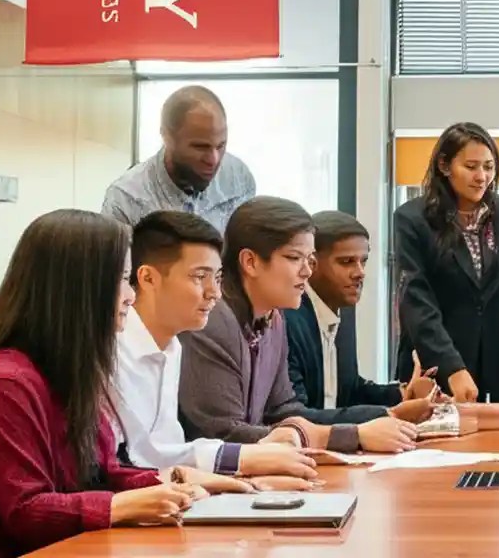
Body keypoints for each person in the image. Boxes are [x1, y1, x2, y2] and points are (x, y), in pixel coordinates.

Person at [0, 210, 246, 557]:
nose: (130, 295)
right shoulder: (5, 384)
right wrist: (124, 505)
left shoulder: (68, 372)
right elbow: (25, 511)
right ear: (80, 289)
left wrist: (176, 482)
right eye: (123, 280)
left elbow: (103, 473)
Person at [179, 196, 421, 454]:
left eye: (310, 260)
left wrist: (378, 418)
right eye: (295, 258)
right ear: (250, 262)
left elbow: (282, 411)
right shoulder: (212, 321)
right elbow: (225, 434)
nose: (307, 271)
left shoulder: (274, 319)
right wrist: (353, 435)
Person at [113, 211, 323, 491]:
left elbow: (171, 450)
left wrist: (247, 468)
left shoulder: (172, 346)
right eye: (200, 277)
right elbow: (139, 461)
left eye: (218, 277)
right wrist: (245, 464)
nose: (214, 292)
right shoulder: (114, 352)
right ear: (148, 278)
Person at [393, 122, 499, 404]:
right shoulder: (412, 219)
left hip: (497, 368)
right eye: (471, 167)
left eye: (489, 167)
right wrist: (452, 367)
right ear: (445, 166)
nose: (481, 176)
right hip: (433, 368)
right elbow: (416, 301)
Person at [285, 210, 437, 418]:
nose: (360, 273)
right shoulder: (287, 319)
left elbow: (349, 390)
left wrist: (402, 393)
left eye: (363, 261)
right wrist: (389, 414)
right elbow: (296, 416)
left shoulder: (343, 311)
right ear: (312, 264)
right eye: (346, 262)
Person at [102, 85, 256, 233]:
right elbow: (113, 260)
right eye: (200, 147)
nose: (213, 160)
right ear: (166, 137)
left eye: (221, 145)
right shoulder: (126, 198)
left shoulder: (238, 177)